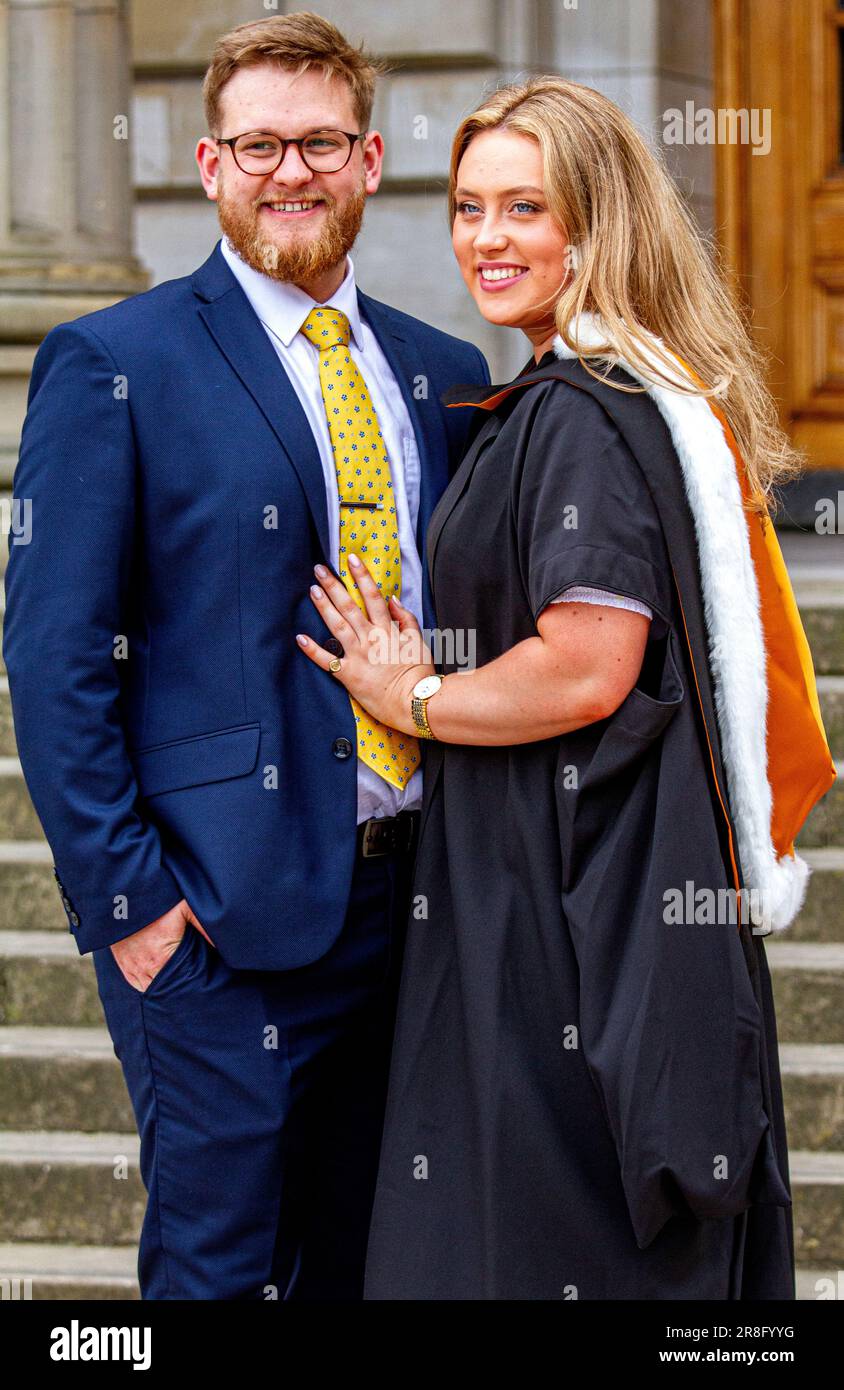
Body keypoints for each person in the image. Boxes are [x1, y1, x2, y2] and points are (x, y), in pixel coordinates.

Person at [296, 76, 836, 1299]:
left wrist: (409, 697)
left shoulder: (581, 416)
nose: (487, 239)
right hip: (553, 872)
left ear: (596, 227)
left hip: (557, 892)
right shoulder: (615, 392)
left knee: (534, 1237)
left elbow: (585, 666)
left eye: (524, 208)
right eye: (469, 208)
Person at [2, 13, 488, 1300]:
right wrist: (136, 911)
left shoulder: (447, 374)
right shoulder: (115, 363)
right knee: (216, 1276)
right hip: (216, 918)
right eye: (258, 144)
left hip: (421, 905)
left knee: (368, 1263)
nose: (291, 171)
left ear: (371, 159)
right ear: (210, 164)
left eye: (319, 142)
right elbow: (54, 659)